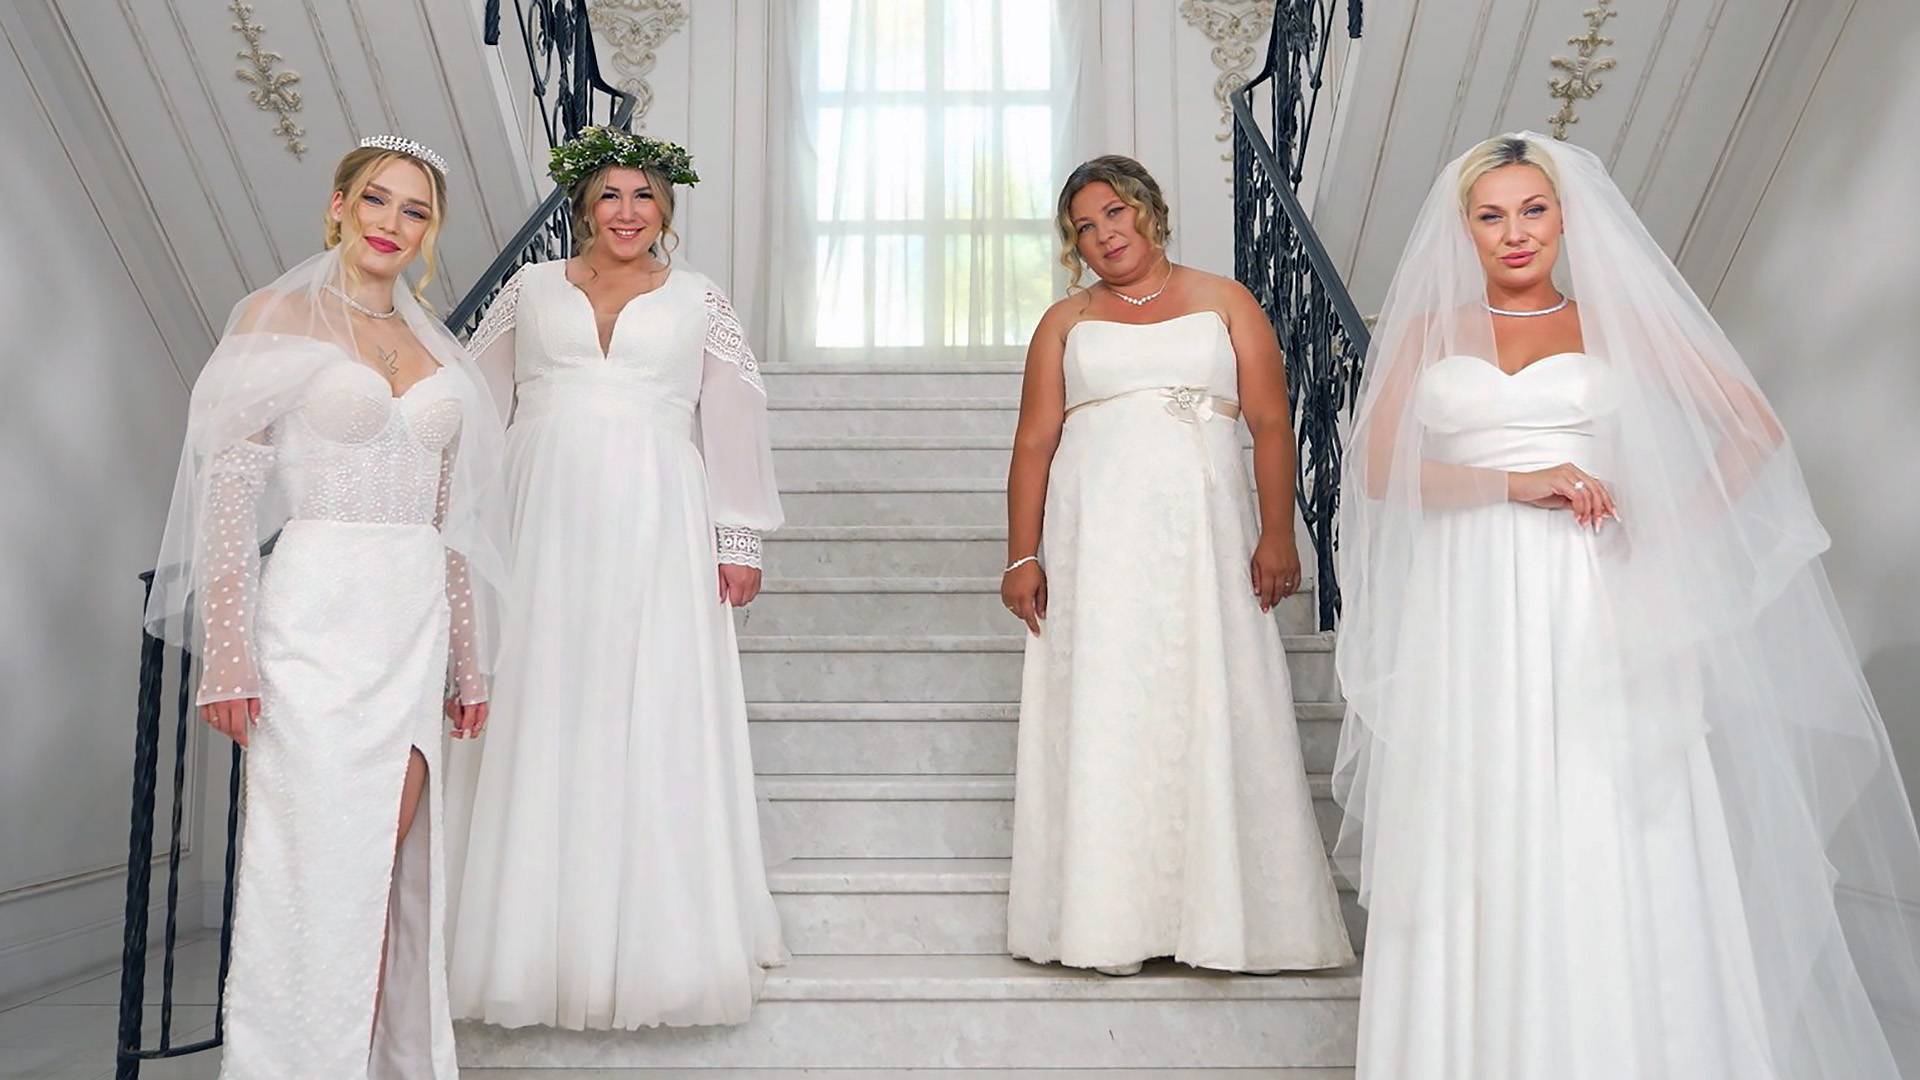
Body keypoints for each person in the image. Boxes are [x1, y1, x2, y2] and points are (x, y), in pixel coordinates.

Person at [1334, 132, 1920, 1079]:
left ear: (1565, 218)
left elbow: (1753, 427)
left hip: (1588, 593)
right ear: (1464, 230)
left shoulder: (1611, 321)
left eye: (1534, 210)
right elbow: (1375, 471)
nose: (1515, 233)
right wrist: (1514, 482)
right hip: (1467, 604)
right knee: (1479, 807)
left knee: (1598, 806)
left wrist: (1669, 527)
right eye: (1492, 216)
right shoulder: (1429, 331)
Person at [143, 135, 507, 1079]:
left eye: (415, 211)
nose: (392, 223)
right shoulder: (277, 318)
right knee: (313, 869)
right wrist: (228, 658)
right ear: (338, 205)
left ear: (430, 233)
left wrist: (469, 662)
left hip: (413, 624)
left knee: (382, 871)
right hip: (314, 618)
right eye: (376, 200)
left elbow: (450, 519)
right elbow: (229, 495)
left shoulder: (435, 346)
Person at [444, 125, 786, 1030]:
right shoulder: (529, 288)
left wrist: (738, 537)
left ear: (665, 210)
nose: (627, 212)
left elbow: (734, 416)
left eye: (644, 197)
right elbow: (474, 402)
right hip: (538, 511)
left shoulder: (701, 300)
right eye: (609, 195)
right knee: (537, 693)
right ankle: (521, 940)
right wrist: (457, 520)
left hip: (657, 514)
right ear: (583, 207)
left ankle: (661, 944)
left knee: (650, 699)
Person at [1002, 155, 1354, 977]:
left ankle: (1231, 921)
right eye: (1084, 227)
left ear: (1149, 211)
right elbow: (1034, 442)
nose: (1103, 234)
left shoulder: (1227, 300)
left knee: (1211, 691)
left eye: (1114, 213)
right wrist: (1022, 554)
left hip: (1204, 534)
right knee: (1110, 702)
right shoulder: (1064, 322)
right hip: (1097, 542)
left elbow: (1271, 423)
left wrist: (1277, 533)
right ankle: (1108, 922)